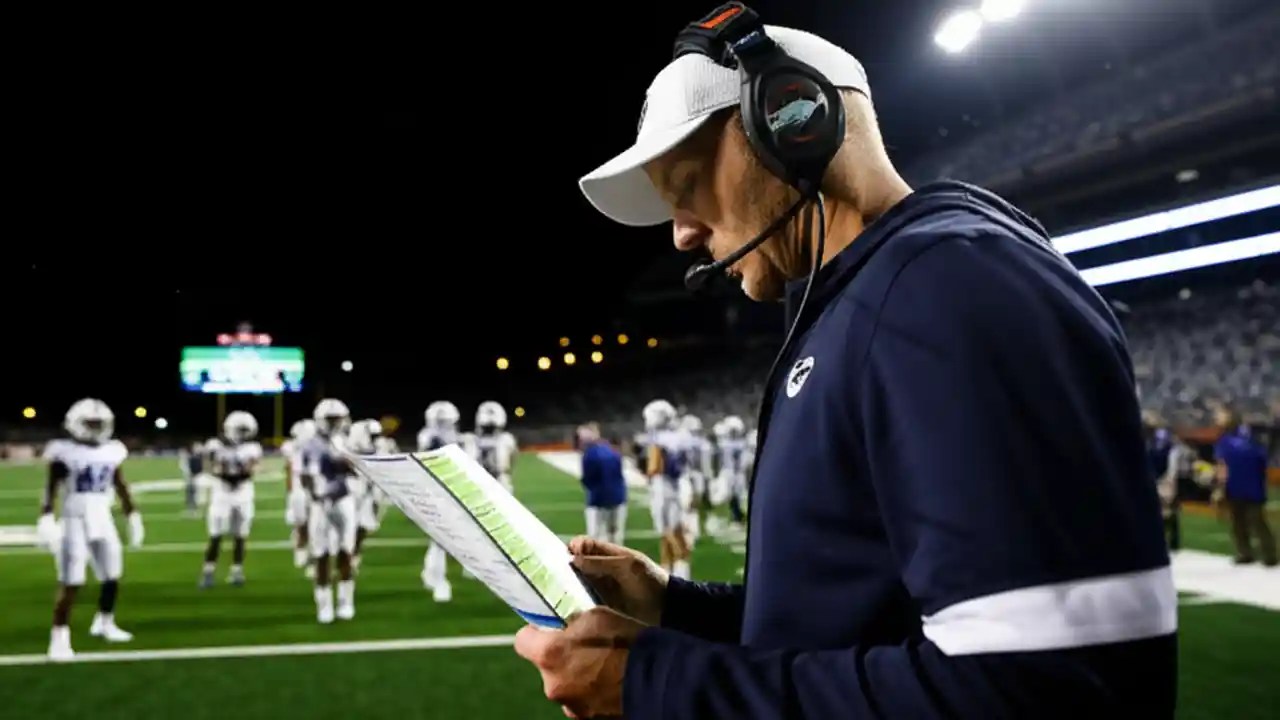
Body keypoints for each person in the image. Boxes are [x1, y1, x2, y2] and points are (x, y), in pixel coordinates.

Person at [513, 4, 1176, 717]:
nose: (680, 233)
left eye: (686, 187)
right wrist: (676, 606)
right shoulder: (879, 292)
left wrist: (657, 684)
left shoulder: (947, 290)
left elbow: (1040, 688)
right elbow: (849, 618)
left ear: (792, 123)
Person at [37, 398, 145, 660]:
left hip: (103, 517)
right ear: (76, 423)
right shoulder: (62, 451)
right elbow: (50, 487)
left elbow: (120, 483)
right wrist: (46, 516)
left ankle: (104, 622)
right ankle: (59, 638)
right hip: (74, 518)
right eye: (90, 424)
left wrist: (133, 514)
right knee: (72, 580)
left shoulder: (113, 450)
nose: (95, 429)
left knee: (112, 574)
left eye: (99, 424)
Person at [300, 398, 358, 623]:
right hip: (320, 503)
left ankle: (346, 601)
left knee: (346, 551)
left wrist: (348, 464)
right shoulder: (310, 444)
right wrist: (315, 494)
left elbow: (357, 471)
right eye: (331, 419)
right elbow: (305, 475)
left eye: (338, 419)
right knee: (321, 555)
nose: (335, 423)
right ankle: (324, 605)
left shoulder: (347, 442)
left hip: (344, 500)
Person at [200, 411, 263, 588]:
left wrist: (228, 472)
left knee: (240, 536)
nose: (244, 434)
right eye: (241, 430)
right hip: (221, 495)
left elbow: (250, 471)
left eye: (246, 430)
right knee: (216, 535)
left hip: (243, 495)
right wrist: (225, 472)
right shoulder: (215, 445)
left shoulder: (252, 448)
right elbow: (211, 467)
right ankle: (208, 571)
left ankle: (237, 571)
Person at [1214, 410, 1277, 566]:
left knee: (1241, 522)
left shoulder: (1224, 441)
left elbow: (1222, 466)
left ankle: (1247, 553)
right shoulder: (1251, 439)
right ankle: (1267, 555)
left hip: (1237, 485)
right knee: (1254, 521)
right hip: (1253, 484)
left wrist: (1219, 488)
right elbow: (1262, 460)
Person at [418, 400, 462, 602]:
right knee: (441, 539)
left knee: (442, 539)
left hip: (447, 491)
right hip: (435, 491)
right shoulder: (430, 437)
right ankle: (438, 580)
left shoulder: (444, 436)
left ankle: (431, 574)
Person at [578, 422, 628, 545]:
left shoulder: (589, 454)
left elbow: (588, 479)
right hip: (618, 497)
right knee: (615, 536)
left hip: (598, 499)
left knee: (595, 536)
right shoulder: (613, 451)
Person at [282, 419, 317, 572]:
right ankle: (301, 548)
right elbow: (289, 469)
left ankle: (310, 555)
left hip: (312, 489)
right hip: (300, 490)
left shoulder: (317, 447)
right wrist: (290, 490)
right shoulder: (291, 447)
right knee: (302, 524)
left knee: (315, 524)